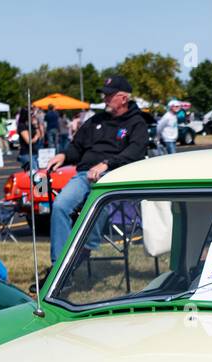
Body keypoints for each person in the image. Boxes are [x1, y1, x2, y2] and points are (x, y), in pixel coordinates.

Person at [46, 74, 149, 264]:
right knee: (60, 205)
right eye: (104, 95)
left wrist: (107, 163)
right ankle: (59, 265)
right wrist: (64, 155)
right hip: (85, 174)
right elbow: (77, 147)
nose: (105, 99)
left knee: (98, 197)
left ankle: (85, 249)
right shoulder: (95, 121)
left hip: (115, 175)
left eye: (110, 95)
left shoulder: (137, 123)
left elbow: (135, 152)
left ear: (124, 98)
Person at [15, 103, 39, 169]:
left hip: (33, 152)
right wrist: (36, 137)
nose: (32, 116)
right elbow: (28, 141)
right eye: (31, 115)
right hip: (26, 153)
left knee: (36, 173)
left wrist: (36, 125)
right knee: (34, 173)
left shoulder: (31, 125)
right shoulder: (22, 126)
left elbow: (40, 135)